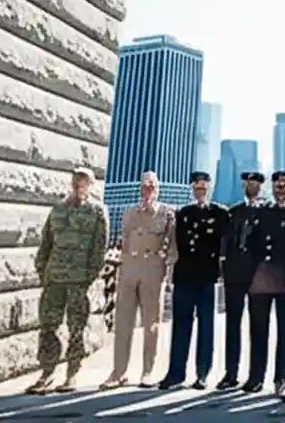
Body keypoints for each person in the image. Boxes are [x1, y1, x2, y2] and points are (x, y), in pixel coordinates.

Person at [25, 167, 108, 394]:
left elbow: (100, 249)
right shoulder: (58, 209)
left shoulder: (97, 212)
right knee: (48, 326)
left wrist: (89, 277)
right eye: (75, 182)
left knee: (76, 328)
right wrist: (43, 271)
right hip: (54, 279)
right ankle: (47, 373)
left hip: (78, 281)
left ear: (90, 186)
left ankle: (71, 374)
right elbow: (46, 243)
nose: (78, 186)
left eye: (83, 183)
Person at [102, 172, 176, 389]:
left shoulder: (166, 214)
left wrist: (168, 276)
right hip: (128, 271)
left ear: (158, 189)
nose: (147, 190)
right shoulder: (129, 213)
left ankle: (148, 371)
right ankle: (118, 372)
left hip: (152, 270)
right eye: (144, 186)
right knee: (123, 323)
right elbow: (122, 242)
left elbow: (172, 247)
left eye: (152, 186)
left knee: (151, 324)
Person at [158, 171, 228, 390]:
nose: (201, 191)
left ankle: (202, 374)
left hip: (207, 278)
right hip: (185, 276)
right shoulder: (182, 214)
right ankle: (176, 373)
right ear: (192, 189)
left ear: (210, 189)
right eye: (197, 188)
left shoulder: (219, 213)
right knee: (181, 326)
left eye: (204, 188)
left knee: (206, 328)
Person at [244, 170, 285, 395]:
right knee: (258, 330)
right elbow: (251, 245)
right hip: (261, 277)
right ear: (273, 186)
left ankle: (282, 377)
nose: (281, 188)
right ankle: (256, 376)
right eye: (278, 184)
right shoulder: (262, 212)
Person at [216, 171, 266, 390]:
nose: (251, 186)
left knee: (258, 327)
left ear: (260, 187)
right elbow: (225, 243)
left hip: (257, 276)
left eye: (255, 183)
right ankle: (231, 373)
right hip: (235, 275)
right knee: (232, 325)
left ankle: (256, 376)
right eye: (248, 183)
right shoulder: (233, 212)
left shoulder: (266, 213)